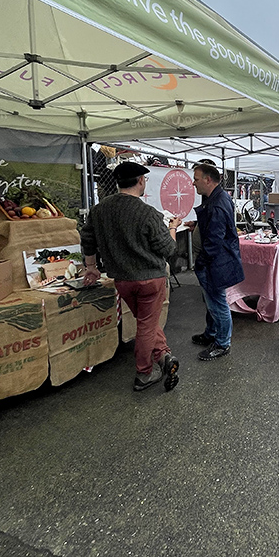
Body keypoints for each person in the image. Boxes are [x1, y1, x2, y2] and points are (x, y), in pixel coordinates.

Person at [80, 161, 181, 391]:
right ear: (141, 181)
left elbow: (87, 239)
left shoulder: (99, 210)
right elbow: (169, 249)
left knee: (147, 322)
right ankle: (144, 373)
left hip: (122, 280)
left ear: (117, 182)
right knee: (146, 325)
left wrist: (91, 266)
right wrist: (173, 228)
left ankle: (164, 356)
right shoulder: (148, 213)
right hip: (150, 279)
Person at [191, 161, 244, 360]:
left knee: (217, 302)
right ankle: (211, 334)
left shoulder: (218, 203)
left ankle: (222, 343)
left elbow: (214, 240)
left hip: (214, 262)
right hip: (213, 261)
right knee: (211, 300)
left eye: (196, 179)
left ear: (208, 180)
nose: (193, 183)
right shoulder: (214, 198)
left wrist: (201, 263)